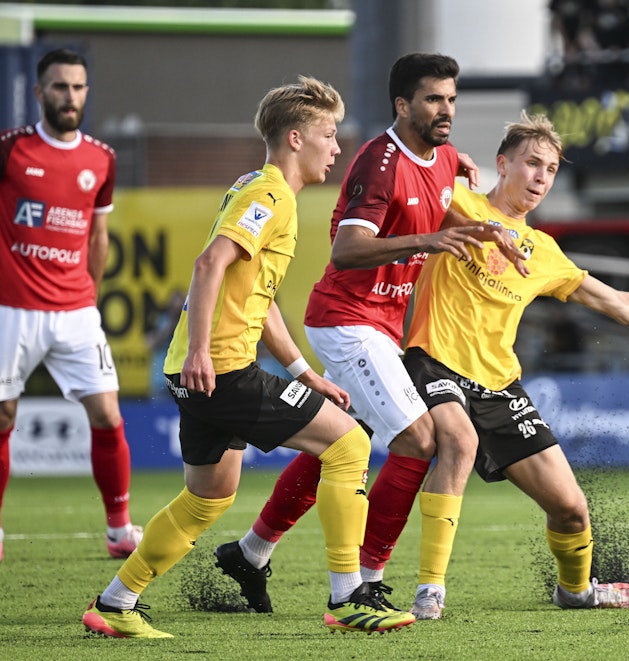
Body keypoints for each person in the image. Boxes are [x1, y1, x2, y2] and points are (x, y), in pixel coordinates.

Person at [216, 111, 629, 620]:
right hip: (428, 362)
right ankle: (424, 590)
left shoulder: (543, 251)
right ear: (503, 163)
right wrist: (444, 154)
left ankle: (576, 592)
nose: (540, 177)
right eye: (531, 163)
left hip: (499, 386)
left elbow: (619, 303)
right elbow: (411, 172)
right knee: (452, 440)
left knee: (570, 510)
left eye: (550, 169)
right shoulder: (458, 203)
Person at [81, 75, 416, 639]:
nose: (336, 148)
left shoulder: (260, 189)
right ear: (294, 138)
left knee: (207, 498)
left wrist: (304, 372)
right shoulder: (270, 196)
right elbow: (209, 264)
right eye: (328, 134)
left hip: (201, 370)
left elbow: (260, 301)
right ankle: (349, 596)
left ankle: (115, 603)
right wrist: (203, 351)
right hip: (223, 369)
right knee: (349, 443)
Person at [212, 52, 520, 620]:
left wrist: (484, 228)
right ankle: (365, 581)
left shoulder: (444, 156)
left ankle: (251, 552)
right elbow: (347, 250)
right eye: (433, 99)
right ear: (402, 105)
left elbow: (437, 199)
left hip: (378, 324)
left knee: (339, 438)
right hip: (347, 319)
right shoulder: (380, 163)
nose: (446, 109)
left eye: (451, 99)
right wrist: (427, 241)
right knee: (418, 439)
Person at [0, 48, 142, 563]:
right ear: (40, 93)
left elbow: (98, 236)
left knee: (107, 413)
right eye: (60, 87)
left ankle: (119, 529)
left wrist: (90, 298)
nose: (70, 96)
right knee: (3, 416)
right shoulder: (11, 149)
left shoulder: (102, 158)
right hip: (12, 308)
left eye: (78, 87)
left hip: (77, 311)